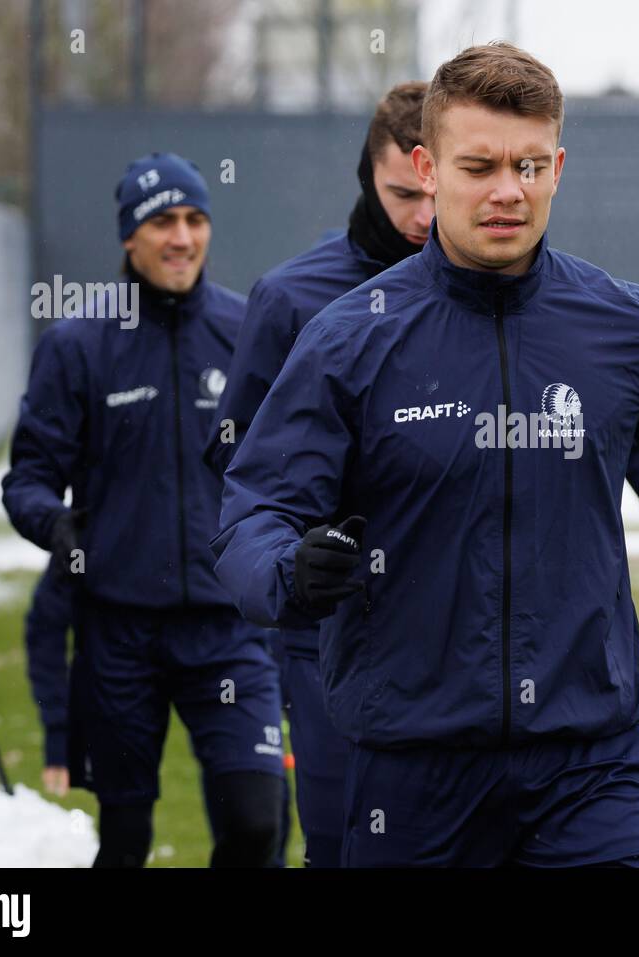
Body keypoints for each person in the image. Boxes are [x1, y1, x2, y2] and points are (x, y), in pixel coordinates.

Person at [214, 44, 639, 867]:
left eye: (530, 165)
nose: (508, 190)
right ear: (427, 168)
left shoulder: (623, 327)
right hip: (412, 772)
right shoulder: (350, 339)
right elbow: (255, 507)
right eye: (480, 164)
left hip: (590, 763)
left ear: (558, 165)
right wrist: (288, 568)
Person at [3, 152, 285, 867]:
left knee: (258, 823)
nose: (183, 237)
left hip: (229, 628)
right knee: (124, 838)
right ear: (130, 237)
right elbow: (27, 479)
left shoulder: (246, 331)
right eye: (163, 221)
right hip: (117, 633)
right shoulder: (77, 344)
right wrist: (57, 526)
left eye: (195, 219)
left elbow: (286, 462)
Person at [204, 81, 434, 866]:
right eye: (404, 194)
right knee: (338, 843)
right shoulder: (290, 297)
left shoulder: (487, 292)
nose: (424, 217)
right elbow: (237, 470)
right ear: (366, 174)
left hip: (451, 629)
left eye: (436, 193)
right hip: (326, 632)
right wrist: (291, 565)